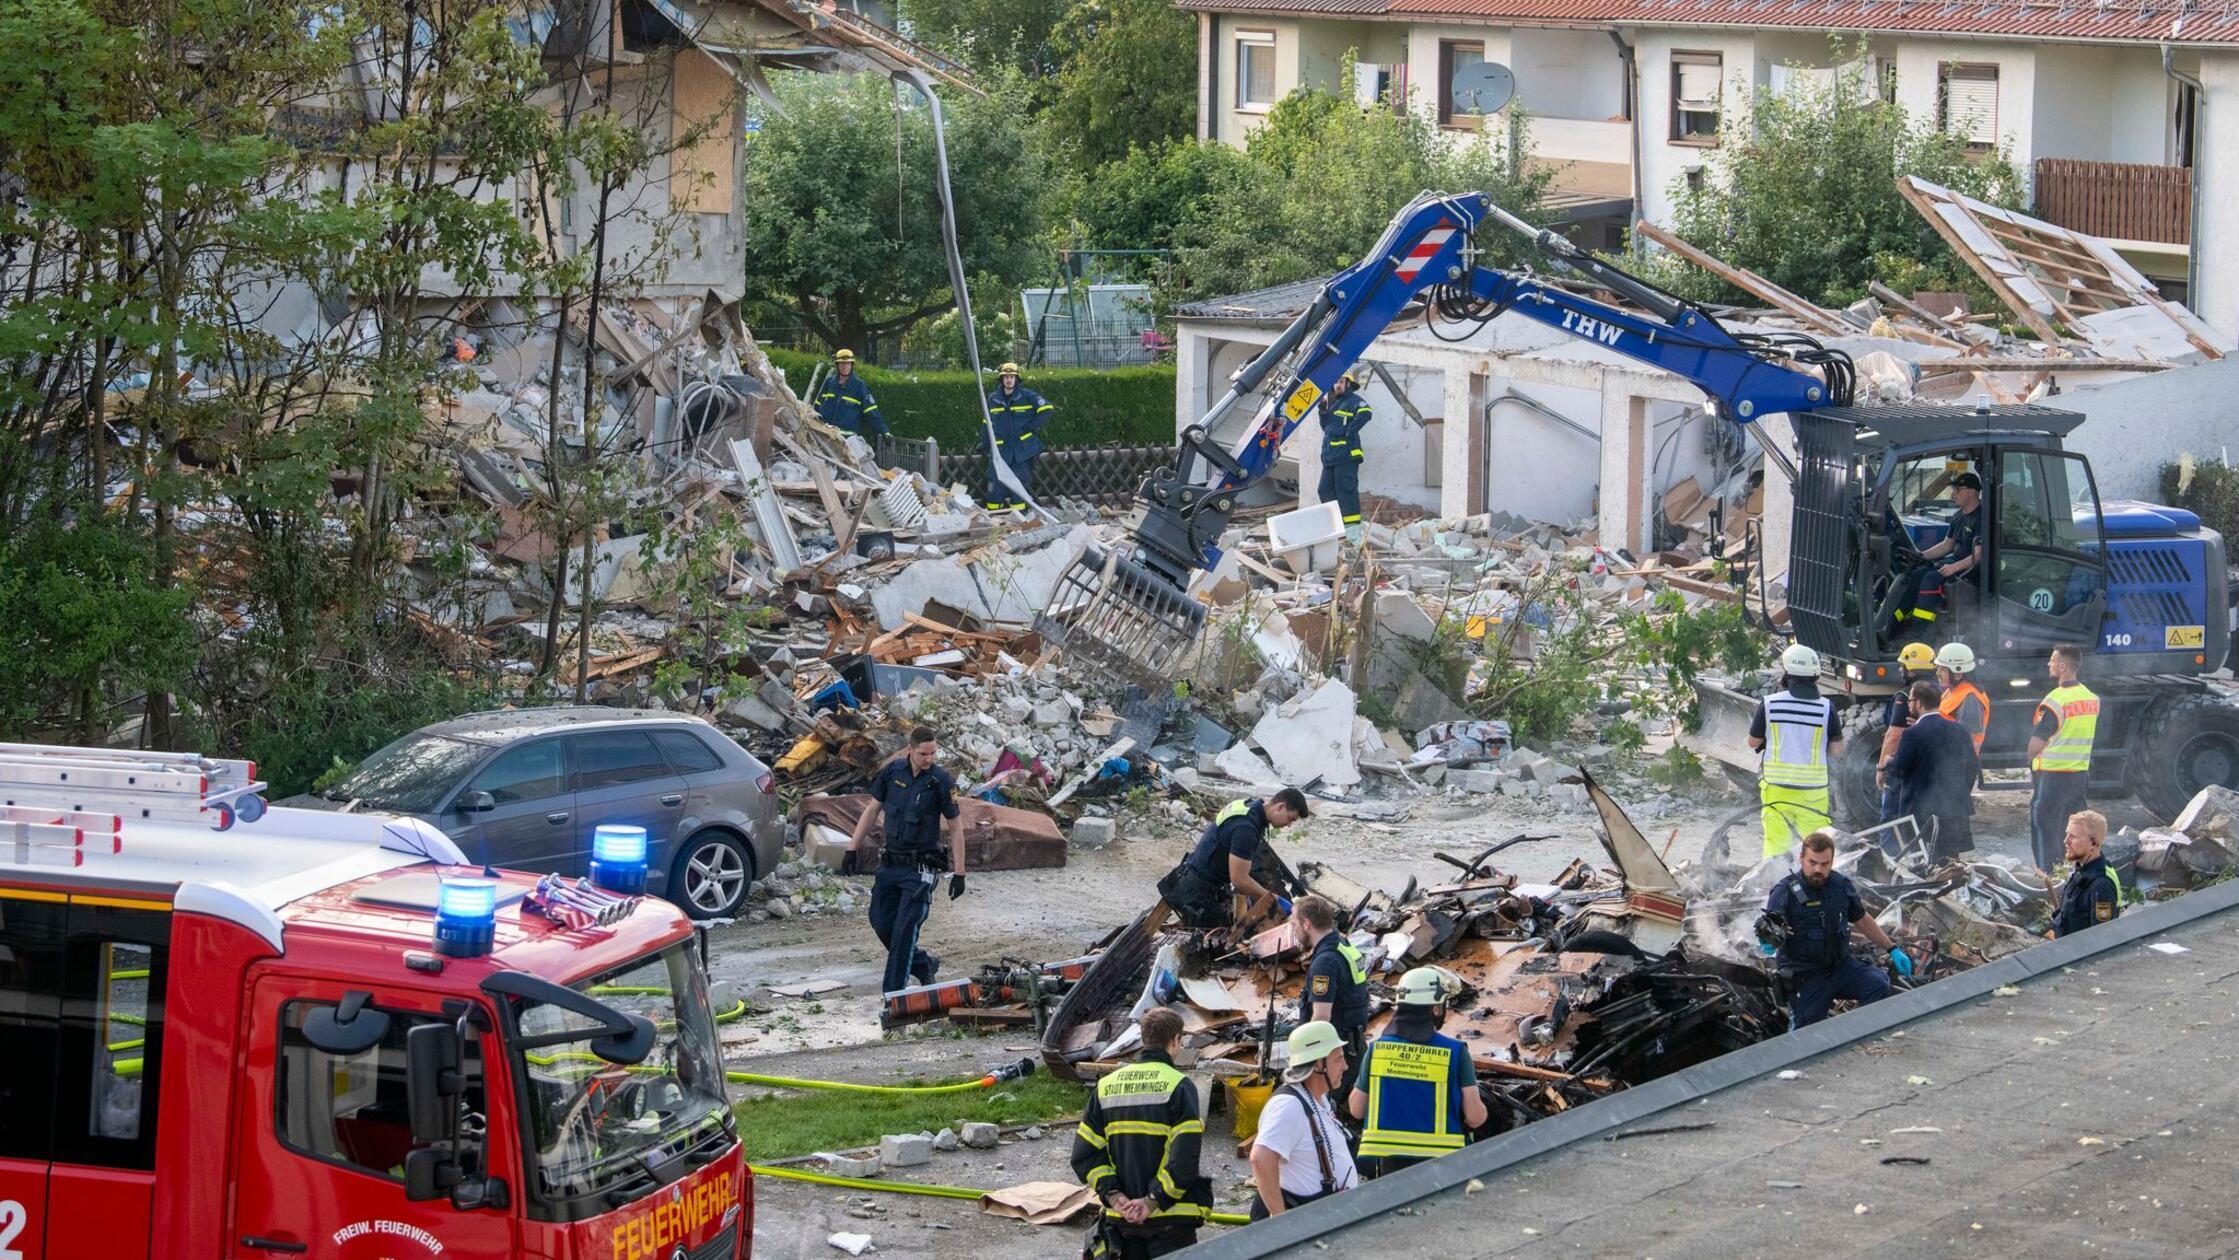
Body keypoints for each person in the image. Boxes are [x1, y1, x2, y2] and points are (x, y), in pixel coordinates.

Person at [1071, 1008, 1210, 1258]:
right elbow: (1184, 1161)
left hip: (1121, 1220)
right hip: (1170, 1220)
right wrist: (1151, 1201)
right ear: (1176, 1040)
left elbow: (1084, 1155)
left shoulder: (1106, 1086)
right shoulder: (1179, 1086)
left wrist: (1115, 1196)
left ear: (1143, 1039)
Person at [844, 726, 965, 995]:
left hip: (921, 869)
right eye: (923, 753)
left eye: (933, 753)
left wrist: (959, 873)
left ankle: (894, 1000)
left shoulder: (942, 781)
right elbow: (872, 809)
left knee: (903, 933)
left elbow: (956, 827)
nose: (929, 759)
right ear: (910, 750)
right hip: (890, 864)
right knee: (880, 922)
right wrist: (852, 848)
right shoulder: (891, 773)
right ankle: (923, 965)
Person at [1760, 830, 1914, 1029]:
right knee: (1806, 1035)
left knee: (1877, 984)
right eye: (1812, 862)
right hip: (1806, 977)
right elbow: (1770, 925)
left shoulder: (1839, 885)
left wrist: (1892, 949)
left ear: (1832, 861)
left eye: (1824, 864)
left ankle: (1858, 1038)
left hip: (1841, 968)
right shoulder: (1785, 892)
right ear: (1801, 859)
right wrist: (1767, 939)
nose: (1818, 869)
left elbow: (1861, 918)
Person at [1348, 967, 1488, 1178]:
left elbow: (1357, 1110)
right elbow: (1475, 1117)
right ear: (1436, 1009)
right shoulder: (1455, 1053)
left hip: (1390, 1167)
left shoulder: (1377, 1050)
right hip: (1444, 1166)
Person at [1249, 1021, 1359, 1219]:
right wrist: (1280, 1220)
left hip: (1315, 1218)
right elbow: (1260, 1158)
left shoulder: (1318, 1098)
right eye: (1338, 1059)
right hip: (1297, 1223)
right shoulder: (1289, 1106)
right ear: (1318, 1064)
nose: (1345, 1066)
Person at [1157, 790, 1309, 930]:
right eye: (1290, 819)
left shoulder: (1248, 807)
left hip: (1188, 875)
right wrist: (1273, 900)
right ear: (1280, 806)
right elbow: (1239, 880)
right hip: (1197, 893)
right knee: (1234, 939)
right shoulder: (1247, 828)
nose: (1288, 825)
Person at [1749, 643, 1844, 861]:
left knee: (1776, 843)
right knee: (1818, 844)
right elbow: (1837, 749)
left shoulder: (1770, 704)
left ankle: (1775, 885)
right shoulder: (1826, 707)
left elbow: (1753, 742)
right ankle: (1821, 883)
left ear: (1786, 673)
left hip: (1777, 788)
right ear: (1815, 675)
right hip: (1813, 790)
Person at [1881, 680, 1981, 861]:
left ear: (1919, 703)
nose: (1909, 705)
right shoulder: (1960, 730)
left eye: (1910, 701)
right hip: (1956, 810)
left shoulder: (1913, 734)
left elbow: (1900, 770)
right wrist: (1960, 792)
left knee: (1926, 862)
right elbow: (1972, 767)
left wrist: (1888, 762)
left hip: (1922, 812)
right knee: (1954, 862)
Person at [2028, 644, 2099, 872]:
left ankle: (2047, 878)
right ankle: (2073, 873)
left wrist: (2030, 757)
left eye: (2052, 660)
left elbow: (2038, 740)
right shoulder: (2090, 697)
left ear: (2062, 666)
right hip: (2078, 774)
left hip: (2052, 775)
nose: (2048, 664)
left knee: (2044, 827)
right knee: (2074, 829)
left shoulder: (2056, 699)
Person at [1887, 470, 1984, 634]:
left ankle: (1919, 631)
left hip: (1969, 569)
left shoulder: (1982, 518)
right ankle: (1894, 624)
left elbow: (1979, 555)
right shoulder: (1958, 516)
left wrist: (1954, 568)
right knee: (1915, 575)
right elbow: (1946, 545)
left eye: (1957, 490)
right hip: (1953, 561)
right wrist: (1920, 556)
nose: (1953, 494)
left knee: (1930, 578)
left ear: (1972, 491)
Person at [1291, 895, 1368, 1065]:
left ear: (1306, 924)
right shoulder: (1344, 945)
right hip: (1354, 1046)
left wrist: (1305, 1058)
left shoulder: (1325, 963)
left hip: (1335, 1054)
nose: (1293, 930)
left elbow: (1321, 1017)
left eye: (1294, 924)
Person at [1876, 642, 1939, 824]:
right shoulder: (1942, 692)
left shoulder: (1906, 696)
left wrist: (1881, 768)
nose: (1900, 670)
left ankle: (1891, 852)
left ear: (1911, 669)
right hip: (1933, 769)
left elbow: (1894, 735)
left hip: (1904, 764)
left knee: (1892, 819)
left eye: (1902, 666)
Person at [981, 362, 1051, 511]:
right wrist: (984, 443)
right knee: (995, 486)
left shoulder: (1027, 396)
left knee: (1019, 486)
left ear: (1016, 379)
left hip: (1021, 450)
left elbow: (1047, 409)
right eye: (1006, 377)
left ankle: (1018, 520)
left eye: (1012, 376)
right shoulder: (993, 399)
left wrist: (1031, 427)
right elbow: (986, 423)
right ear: (1001, 379)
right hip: (1000, 451)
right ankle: (993, 518)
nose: (1009, 380)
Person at [1316, 370, 1372, 542]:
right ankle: (1336, 526)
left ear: (1348, 384)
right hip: (1331, 457)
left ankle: (1353, 531)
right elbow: (1327, 427)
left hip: (1346, 456)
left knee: (1346, 492)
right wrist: (1323, 411)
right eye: (1335, 382)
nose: (1337, 385)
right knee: (1324, 490)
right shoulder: (1334, 404)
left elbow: (1366, 412)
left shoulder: (1353, 401)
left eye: (1341, 382)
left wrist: (1350, 430)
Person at [2051, 810, 2123, 938]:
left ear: (2094, 843)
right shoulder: (2082, 870)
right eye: (2067, 834)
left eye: (2073, 837)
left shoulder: (2101, 886)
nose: (2065, 841)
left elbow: (2102, 937)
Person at [814, 348, 887, 438]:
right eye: (841, 364)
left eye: (847, 363)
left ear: (852, 365)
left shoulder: (859, 385)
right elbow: (817, 405)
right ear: (837, 365)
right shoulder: (829, 382)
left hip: (847, 438)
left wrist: (884, 430)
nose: (844, 367)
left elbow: (871, 410)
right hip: (824, 434)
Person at [1933, 642, 1989, 753]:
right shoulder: (1952, 691)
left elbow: (1969, 740)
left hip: (1957, 765)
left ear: (1958, 674)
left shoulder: (1970, 698)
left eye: (1943, 669)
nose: (1937, 673)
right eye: (1938, 668)